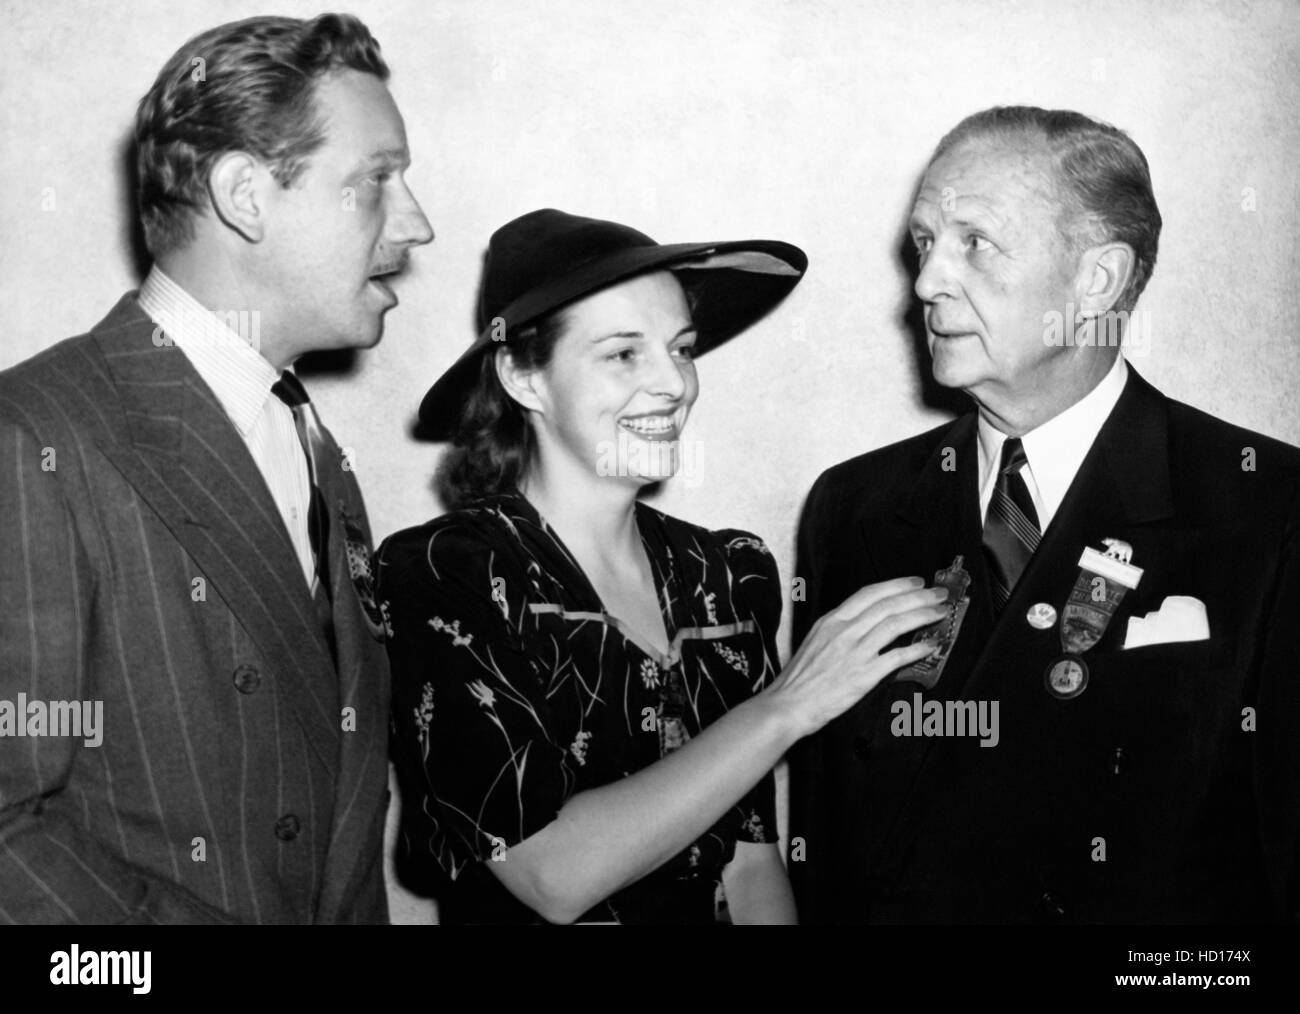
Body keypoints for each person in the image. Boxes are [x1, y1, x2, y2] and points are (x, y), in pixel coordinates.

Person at [787, 106, 1300, 924]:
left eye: (974, 243)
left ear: (1095, 278)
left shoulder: (1264, 506)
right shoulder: (855, 507)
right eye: (923, 243)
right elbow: (827, 843)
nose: (925, 284)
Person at [378, 209, 948, 924]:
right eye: (624, 354)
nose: (674, 384)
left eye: (681, 349)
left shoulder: (722, 573)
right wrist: (788, 708)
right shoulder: (444, 574)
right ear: (524, 378)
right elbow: (552, 874)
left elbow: (749, 862)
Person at [0, 13, 433, 923]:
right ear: (245, 194)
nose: (416, 224)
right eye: (376, 181)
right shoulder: (34, 437)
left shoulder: (308, 443)